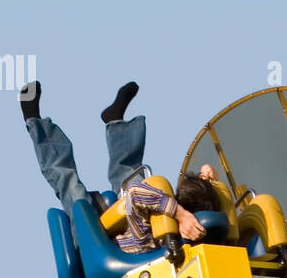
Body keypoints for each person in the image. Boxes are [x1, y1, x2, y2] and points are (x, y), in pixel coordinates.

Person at [19, 79, 219, 248]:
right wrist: (209, 180)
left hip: (99, 245)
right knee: (133, 177)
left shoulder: (152, 233)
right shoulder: (170, 218)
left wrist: (179, 213)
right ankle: (114, 121)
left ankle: (34, 121)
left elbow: (137, 196)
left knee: (71, 187)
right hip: (121, 222)